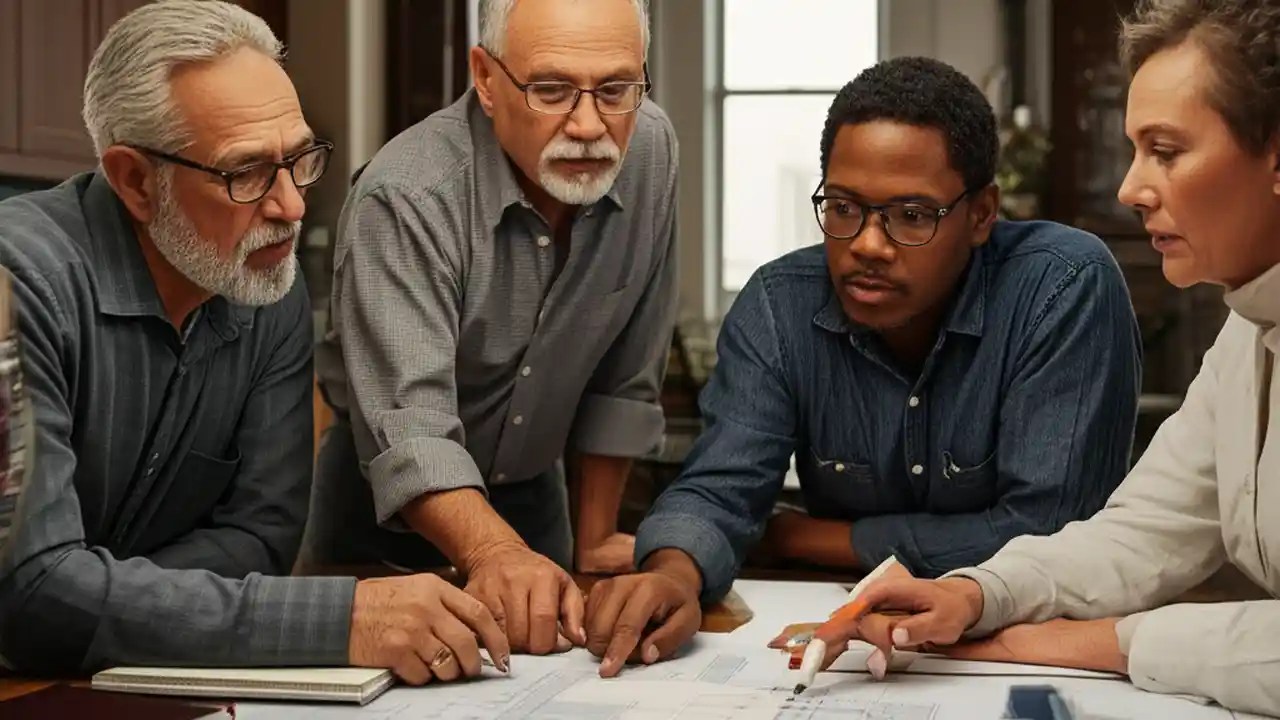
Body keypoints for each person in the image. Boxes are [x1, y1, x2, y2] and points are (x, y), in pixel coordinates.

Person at [583, 56, 1143, 678]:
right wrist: (673, 574)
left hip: (1031, 652)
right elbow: (720, 489)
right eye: (844, 207)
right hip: (849, 651)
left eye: (912, 215)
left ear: (982, 214)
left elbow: (1052, 536)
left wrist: (812, 538)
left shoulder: (1062, 287)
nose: (868, 245)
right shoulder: (779, 305)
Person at [0, 1, 507, 684]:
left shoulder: (267, 287)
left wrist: (98, 595)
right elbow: (33, 593)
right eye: (245, 173)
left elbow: (263, 538)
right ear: (135, 181)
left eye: (299, 160)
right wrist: (339, 620)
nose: (292, 207)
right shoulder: (20, 282)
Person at [813, 1, 1280, 715]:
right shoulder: (1247, 331)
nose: (1129, 188)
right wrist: (976, 594)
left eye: (1166, 150)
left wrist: (1094, 642)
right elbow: (1141, 534)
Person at [306, 0, 678, 657]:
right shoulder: (406, 195)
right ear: (484, 77)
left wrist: (594, 542)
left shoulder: (649, 147)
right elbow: (413, 433)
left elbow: (628, 372)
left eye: (616, 88)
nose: (589, 125)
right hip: (383, 521)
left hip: (537, 501)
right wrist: (494, 553)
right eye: (551, 90)